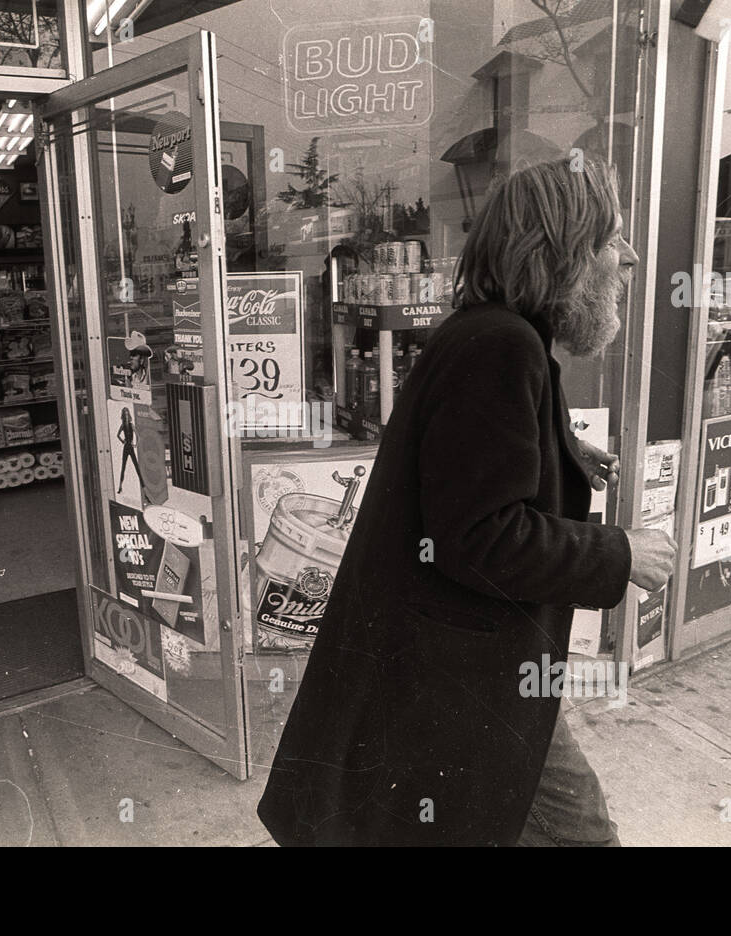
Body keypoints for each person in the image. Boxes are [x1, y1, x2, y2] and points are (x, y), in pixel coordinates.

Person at [256, 157, 676, 846]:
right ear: (564, 253)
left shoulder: (497, 334)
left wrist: (561, 448)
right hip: (462, 676)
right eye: (610, 240)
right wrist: (619, 552)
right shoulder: (501, 347)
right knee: (582, 835)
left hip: (463, 669)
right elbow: (479, 536)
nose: (626, 259)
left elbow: (471, 461)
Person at [115, 406, 144, 496]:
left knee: (137, 467)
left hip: (130, 447)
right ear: (123, 416)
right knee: (123, 467)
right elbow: (118, 435)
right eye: (125, 414)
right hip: (126, 446)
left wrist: (135, 444)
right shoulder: (123, 425)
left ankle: (144, 489)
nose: (126, 416)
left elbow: (138, 436)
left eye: (127, 414)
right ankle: (120, 487)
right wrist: (122, 440)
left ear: (129, 415)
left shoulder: (131, 425)